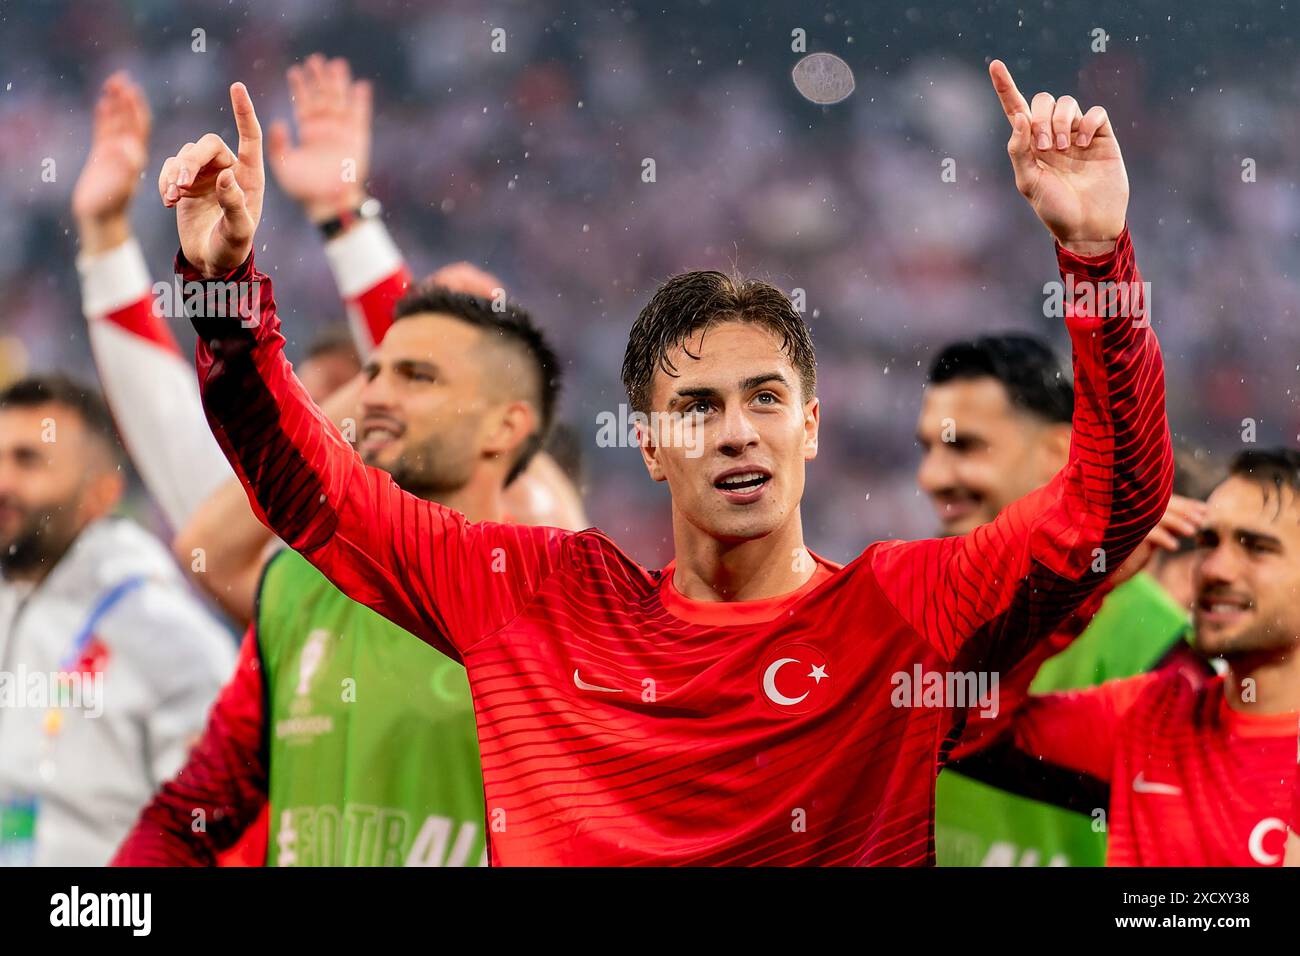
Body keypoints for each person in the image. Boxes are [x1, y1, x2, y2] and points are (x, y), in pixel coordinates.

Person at [158, 61, 1171, 865]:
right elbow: (305, 485)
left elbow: (1111, 504)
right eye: (695, 406)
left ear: (810, 425)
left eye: (764, 399)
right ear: (646, 443)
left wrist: (1097, 261)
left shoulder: (900, 615)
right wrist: (222, 285)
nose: (736, 430)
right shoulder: (536, 601)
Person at [113, 56, 582, 866]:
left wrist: (343, 215)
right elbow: (195, 810)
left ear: (508, 429)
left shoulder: (546, 599)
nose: (375, 394)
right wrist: (221, 286)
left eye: (416, 375)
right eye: (374, 370)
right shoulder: (299, 581)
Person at [919, 334, 1208, 866]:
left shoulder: (1151, 635)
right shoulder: (913, 604)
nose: (931, 477)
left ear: (1058, 453)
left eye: (962, 447)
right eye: (927, 448)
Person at [955, 448, 1300, 865]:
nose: (1215, 569)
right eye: (1208, 542)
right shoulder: (1149, 717)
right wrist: (1081, 587)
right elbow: (963, 726)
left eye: (1257, 547)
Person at [0, 374, 234, 865]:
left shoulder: (167, 634)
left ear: (102, 494)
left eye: (27, 460)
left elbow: (212, 832)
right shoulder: (11, 598)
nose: (3, 483)